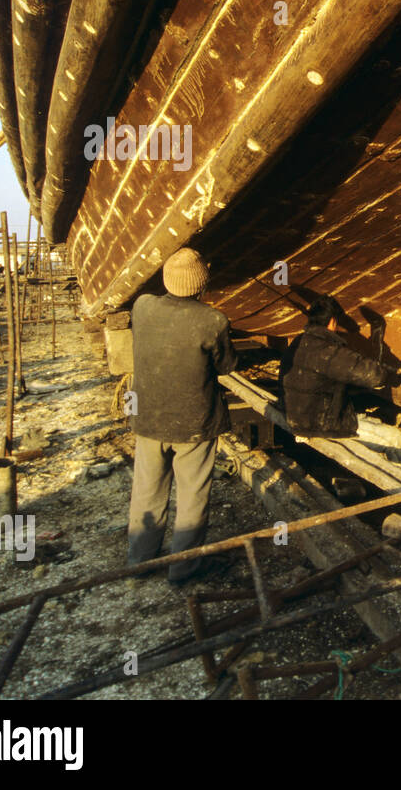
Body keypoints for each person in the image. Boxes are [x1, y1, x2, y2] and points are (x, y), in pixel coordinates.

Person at [126, 247, 236, 583]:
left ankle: (140, 562)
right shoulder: (213, 320)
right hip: (195, 424)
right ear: (203, 284)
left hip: (147, 418)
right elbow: (227, 365)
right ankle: (183, 570)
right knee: (192, 495)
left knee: (146, 490)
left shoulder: (142, 307)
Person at [279, 295, 401, 438]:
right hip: (320, 426)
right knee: (395, 438)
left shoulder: (299, 341)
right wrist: (395, 373)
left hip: (294, 416)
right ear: (332, 321)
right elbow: (375, 377)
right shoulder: (328, 350)